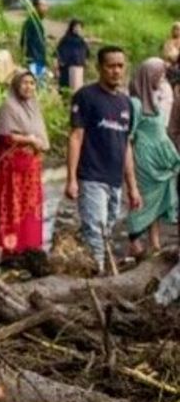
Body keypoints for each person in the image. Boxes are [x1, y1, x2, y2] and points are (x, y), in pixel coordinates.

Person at [66, 46, 142, 274]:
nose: (116, 71)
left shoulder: (126, 103)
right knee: (95, 234)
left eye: (120, 66)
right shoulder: (86, 96)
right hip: (91, 177)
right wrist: (71, 179)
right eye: (110, 66)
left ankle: (89, 271)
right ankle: (95, 279)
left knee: (106, 231)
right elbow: (76, 137)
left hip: (114, 180)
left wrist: (133, 187)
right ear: (99, 67)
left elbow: (126, 144)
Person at [0, 71, 49, 255]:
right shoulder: (8, 106)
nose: (28, 87)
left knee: (29, 209)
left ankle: (29, 248)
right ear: (15, 85)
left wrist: (36, 144)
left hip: (30, 171)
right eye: (24, 83)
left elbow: (43, 139)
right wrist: (29, 140)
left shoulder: (34, 107)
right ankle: (8, 250)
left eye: (32, 83)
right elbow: (4, 135)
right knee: (11, 207)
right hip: (10, 172)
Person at [127, 58, 180, 258]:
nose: (162, 78)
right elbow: (130, 137)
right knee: (142, 200)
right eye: (159, 74)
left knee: (157, 202)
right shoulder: (136, 103)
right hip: (145, 161)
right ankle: (134, 241)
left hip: (159, 161)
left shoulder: (154, 99)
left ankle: (155, 242)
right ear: (148, 76)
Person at [56, 19, 89, 92]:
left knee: (78, 88)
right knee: (67, 87)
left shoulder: (82, 41)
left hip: (79, 67)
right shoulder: (65, 40)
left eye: (80, 27)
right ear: (72, 28)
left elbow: (86, 54)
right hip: (68, 67)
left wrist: (85, 62)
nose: (78, 29)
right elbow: (59, 53)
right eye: (76, 27)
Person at [21, 0, 49, 80]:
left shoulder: (38, 22)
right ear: (35, 7)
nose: (45, 8)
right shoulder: (31, 22)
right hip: (34, 59)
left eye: (46, 5)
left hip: (40, 59)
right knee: (36, 82)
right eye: (42, 5)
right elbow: (24, 41)